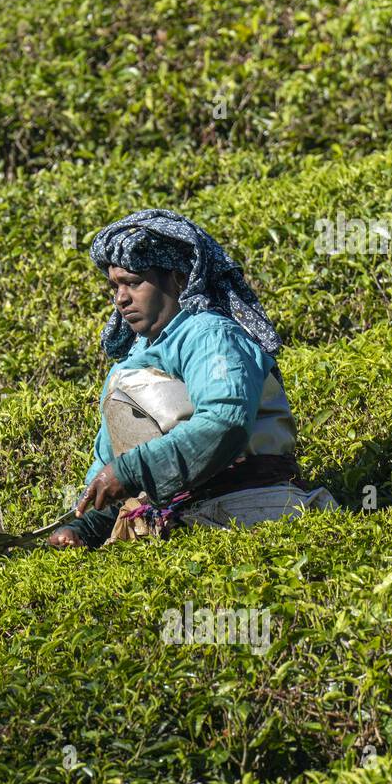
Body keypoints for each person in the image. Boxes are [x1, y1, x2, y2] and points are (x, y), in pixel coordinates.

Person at [48, 209, 336, 549]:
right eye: (115, 285)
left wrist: (130, 472)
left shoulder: (210, 334)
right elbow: (110, 468)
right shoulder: (127, 367)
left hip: (250, 510)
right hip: (175, 526)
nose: (121, 298)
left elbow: (224, 422)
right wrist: (86, 527)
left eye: (134, 282)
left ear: (178, 280)